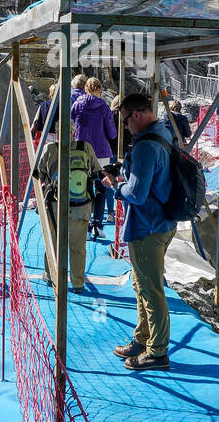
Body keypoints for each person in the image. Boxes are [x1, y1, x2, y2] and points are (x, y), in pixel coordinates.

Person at [103, 92, 176, 372]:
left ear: (136, 115)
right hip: (162, 222)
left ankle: (157, 352)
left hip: (147, 226)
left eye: (125, 121)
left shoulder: (145, 146)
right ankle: (143, 339)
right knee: (142, 284)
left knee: (151, 289)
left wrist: (115, 185)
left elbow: (137, 192)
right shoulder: (163, 134)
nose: (125, 127)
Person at [37, 119, 99, 293]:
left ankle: (51, 275)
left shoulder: (50, 149)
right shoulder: (85, 147)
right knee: (78, 246)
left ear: (57, 133)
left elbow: (38, 173)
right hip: (81, 205)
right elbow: (96, 171)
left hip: (56, 205)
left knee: (54, 241)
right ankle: (78, 282)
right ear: (74, 132)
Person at [72, 76, 118, 238]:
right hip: (101, 153)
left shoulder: (77, 105)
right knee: (101, 188)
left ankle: (84, 224)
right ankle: (98, 225)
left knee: (82, 188)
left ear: (86, 89)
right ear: (99, 90)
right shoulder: (104, 107)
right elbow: (112, 133)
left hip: (81, 151)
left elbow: (71, 125)